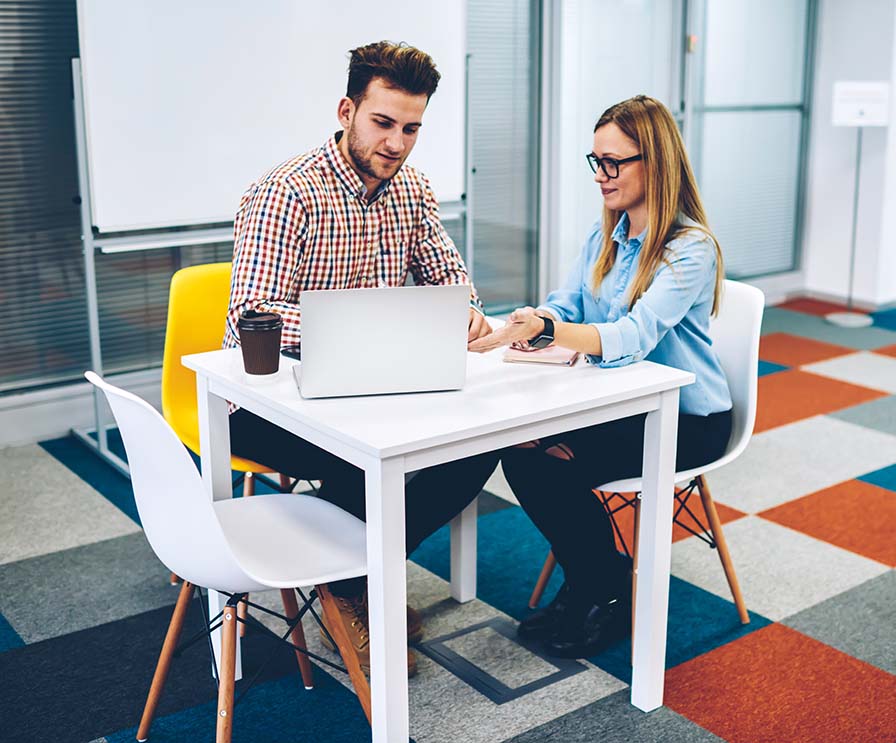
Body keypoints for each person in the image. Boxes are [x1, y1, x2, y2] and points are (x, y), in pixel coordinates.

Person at [223, 41, 499, 676]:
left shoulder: (414, 190)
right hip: (275, 403)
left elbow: (450, 280)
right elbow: (251, 318)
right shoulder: (285, 193)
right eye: (382, 123)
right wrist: (351, 329)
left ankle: (352, 575)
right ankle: (354, 585)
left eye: (411, 128)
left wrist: (465, 311)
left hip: (380, 389)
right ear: (347, 110)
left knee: (475, 445)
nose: (397, 144)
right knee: (375, 462)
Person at [469, 95, 733, 658]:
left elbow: (632, 338)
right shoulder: (604, 235)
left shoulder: (689, 250)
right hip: (622, 405)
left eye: (614, 163)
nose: (601, 177)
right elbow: (567, 304)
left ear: (654, 163)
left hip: (688, 418)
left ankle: (601, 589)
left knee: (549, 463)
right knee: (520, 450)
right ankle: (603, 581)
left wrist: (545, 332)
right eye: (596, 162)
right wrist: (536, 321)